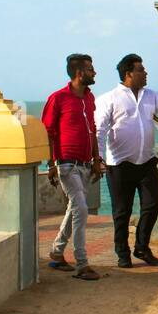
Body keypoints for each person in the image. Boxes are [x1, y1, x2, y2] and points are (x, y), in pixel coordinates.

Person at [97, 54, 158, 268]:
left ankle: (142, 247)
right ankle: (122, 252)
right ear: (129, 74)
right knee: (122, 211)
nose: (146, 72)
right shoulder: (108, 98)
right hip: (119, 164)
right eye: (141, 69)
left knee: (152, 204)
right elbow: (100, 130)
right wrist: (99, 159)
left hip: (147, 162)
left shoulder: (152, 96)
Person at [41, 53, 104, 280]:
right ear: (79, 73)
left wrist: (97, 160)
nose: (94, 72)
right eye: (90, 69)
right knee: (81, 209)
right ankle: (82, 263)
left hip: (86, 164)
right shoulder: (58, 98)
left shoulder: (89, 98)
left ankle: (57, 253)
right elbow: (47, 133)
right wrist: (51, 164)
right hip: (66, 164)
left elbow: (93, 130)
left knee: (75, 209)